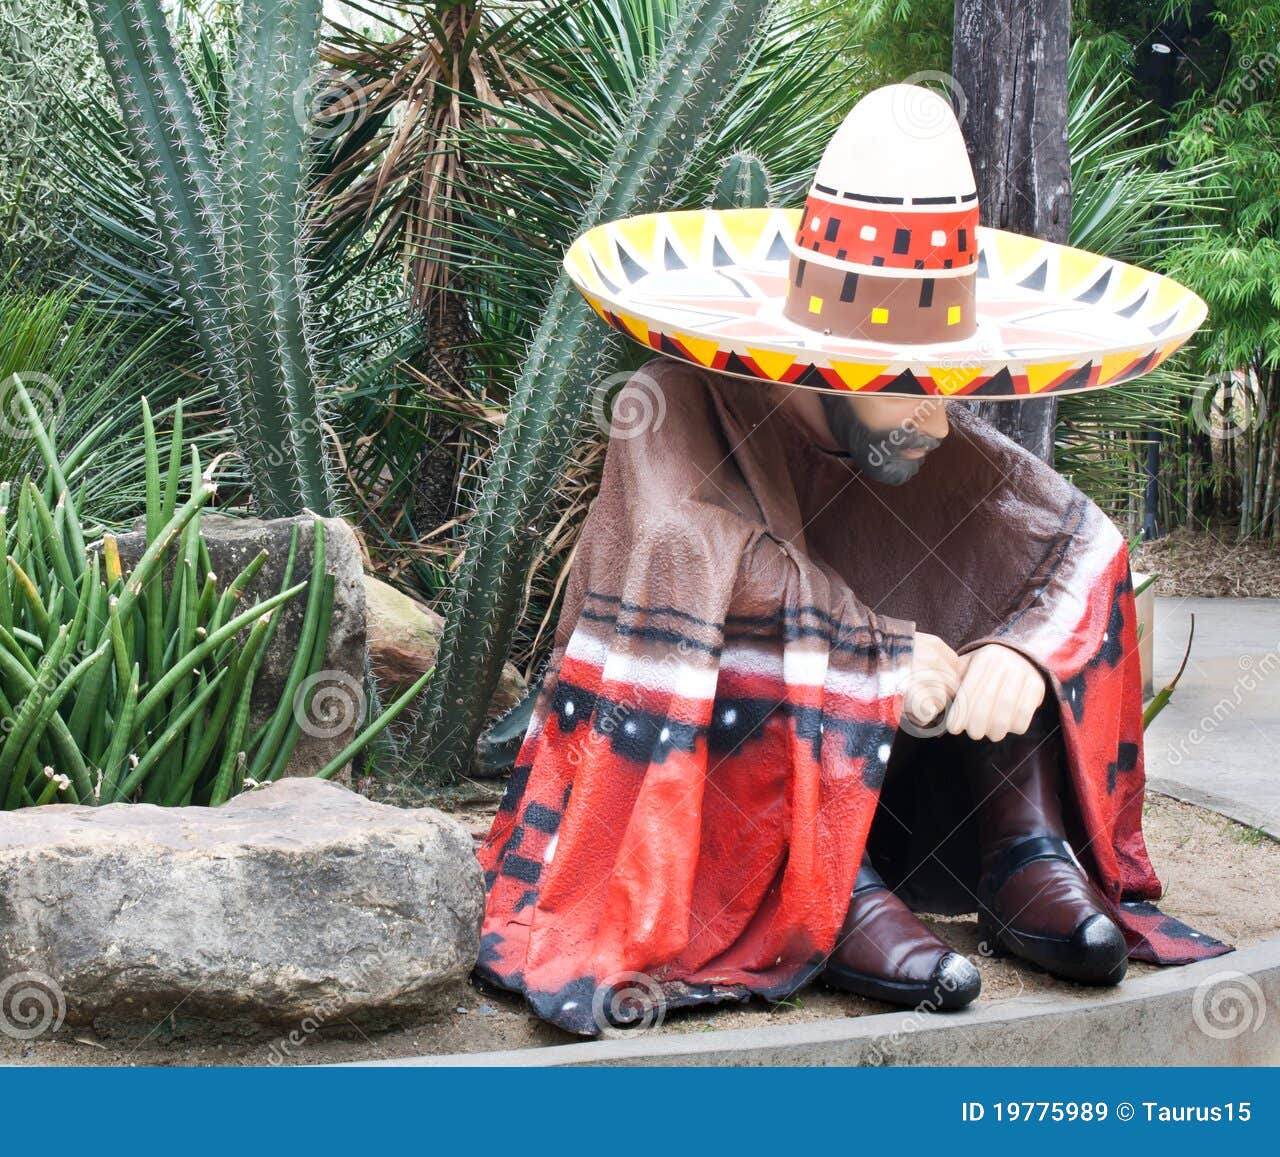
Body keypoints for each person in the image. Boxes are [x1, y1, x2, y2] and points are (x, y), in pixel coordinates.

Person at [475, 85, 1228, 1036]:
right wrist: (871, 654)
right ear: (826, 358)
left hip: (907, 787)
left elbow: (1076, 538)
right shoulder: (671, 406)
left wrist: (1026, 650)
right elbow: (678, 557)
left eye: (943, 384)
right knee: (730, 599)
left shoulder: (905, 426)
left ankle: (1020, 849)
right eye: (909, 386)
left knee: (1008, 578)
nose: (936, 416)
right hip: (732, 789)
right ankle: (829, 890)